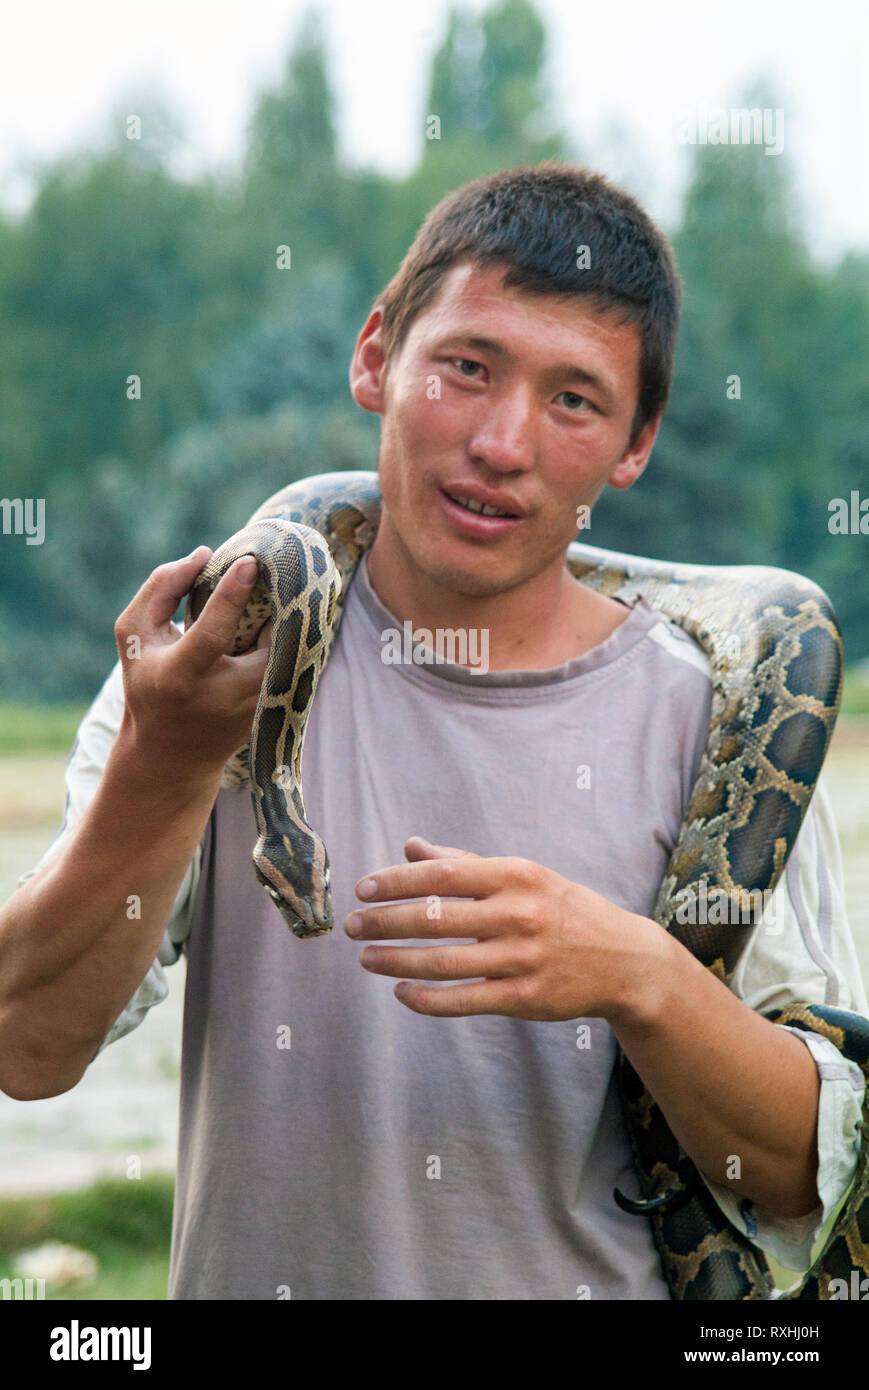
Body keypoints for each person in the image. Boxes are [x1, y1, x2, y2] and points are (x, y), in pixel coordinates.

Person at [2, 163, 865, 1301]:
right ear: (376, 358)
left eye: (573, 399)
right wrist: (164, 759)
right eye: (466, 367)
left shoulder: (718, 716)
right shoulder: (211, 673)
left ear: (633, 444)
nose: (502, 443)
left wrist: (639, 977)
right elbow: (29, 1045)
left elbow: (808, 1182)